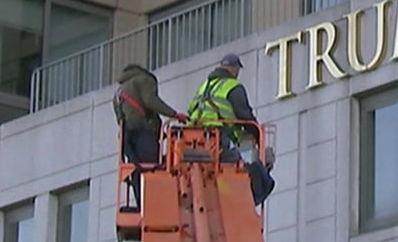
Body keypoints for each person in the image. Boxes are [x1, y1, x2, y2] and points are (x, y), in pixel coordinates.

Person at [186, 52, 276, 206]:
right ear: (234, 69)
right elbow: (244, 114)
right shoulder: (233, 86)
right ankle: (252, 197)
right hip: (219, 137)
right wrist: (258, 135)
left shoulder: (204, 87)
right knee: (251, 168)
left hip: (194, 138)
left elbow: (190, 111)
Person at [113, 64, 188, 209]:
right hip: (144, 133)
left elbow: (119, 118)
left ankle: (142, 205)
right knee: (152, 169)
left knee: (136, 169)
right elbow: (151, 101)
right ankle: (154, 205)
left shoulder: (118, 92)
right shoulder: (144, 80)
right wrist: (174, 114)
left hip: (126, 138)